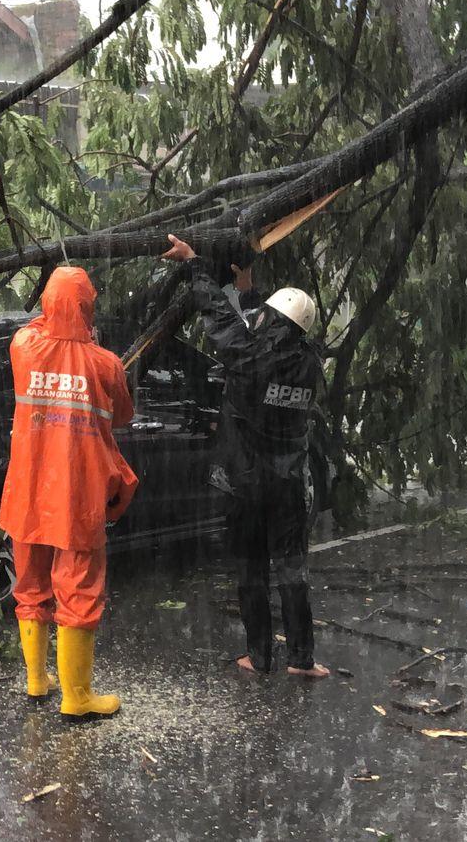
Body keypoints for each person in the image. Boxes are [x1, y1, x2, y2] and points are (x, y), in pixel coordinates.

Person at [161, 234, 330, 679]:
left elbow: (218, 316)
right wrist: (249, 289)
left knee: (252, 569)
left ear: (271, 321)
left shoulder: (250, 355)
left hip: (246, 481)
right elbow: (264, 326)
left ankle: (258, 656)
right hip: (290, 482)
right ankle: (302, 659)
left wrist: (195, 262)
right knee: (292, 569)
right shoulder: (311, 362)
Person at [0, 266, 139, 720]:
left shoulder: (24, 346)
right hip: (76, 494)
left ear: (46, 304)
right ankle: (77, 697)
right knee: (78, 591)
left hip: (27, 491)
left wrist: (60, 322)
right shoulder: (107, 364)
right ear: (88, 309)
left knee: (31, 586)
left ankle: (37, 679)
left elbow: (40, 325)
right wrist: (84, 344)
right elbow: (122, 418)